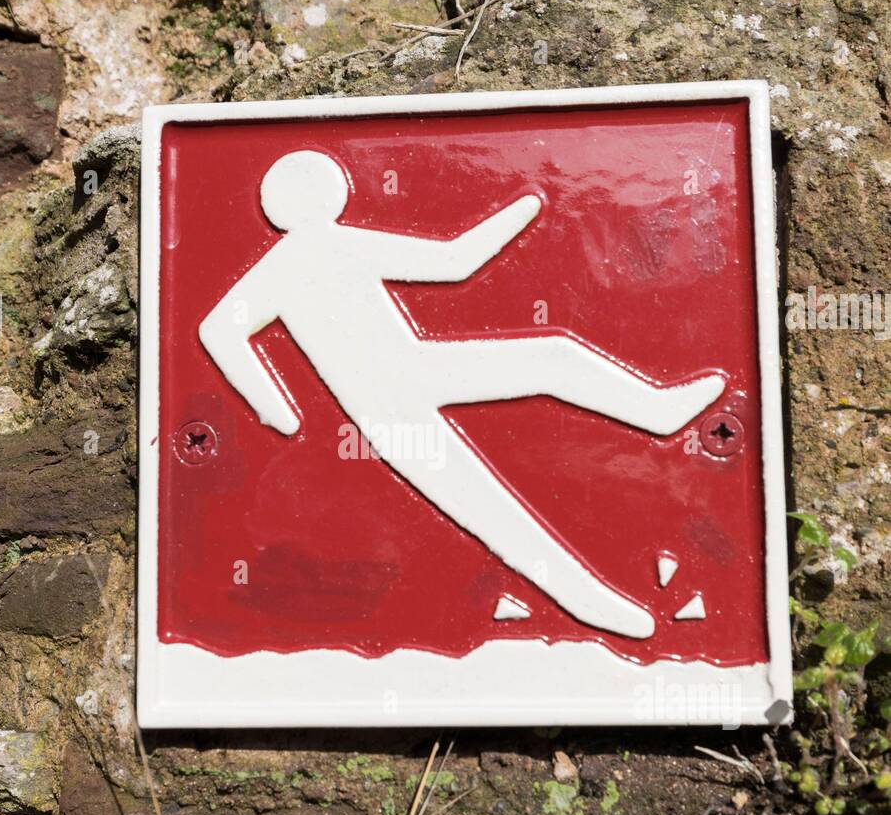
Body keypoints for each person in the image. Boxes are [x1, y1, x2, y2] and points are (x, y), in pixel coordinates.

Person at [199, 151, 725, 639]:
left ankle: (651, 430)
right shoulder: (335, 245)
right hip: (400, 390)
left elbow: (219, 331)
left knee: (496, 488)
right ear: (325, 197)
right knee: (544, 378)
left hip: (394, 393)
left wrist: (278, 411)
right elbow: (457, 261)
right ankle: (647, 437)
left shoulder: (289, 262)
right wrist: (526, 205)